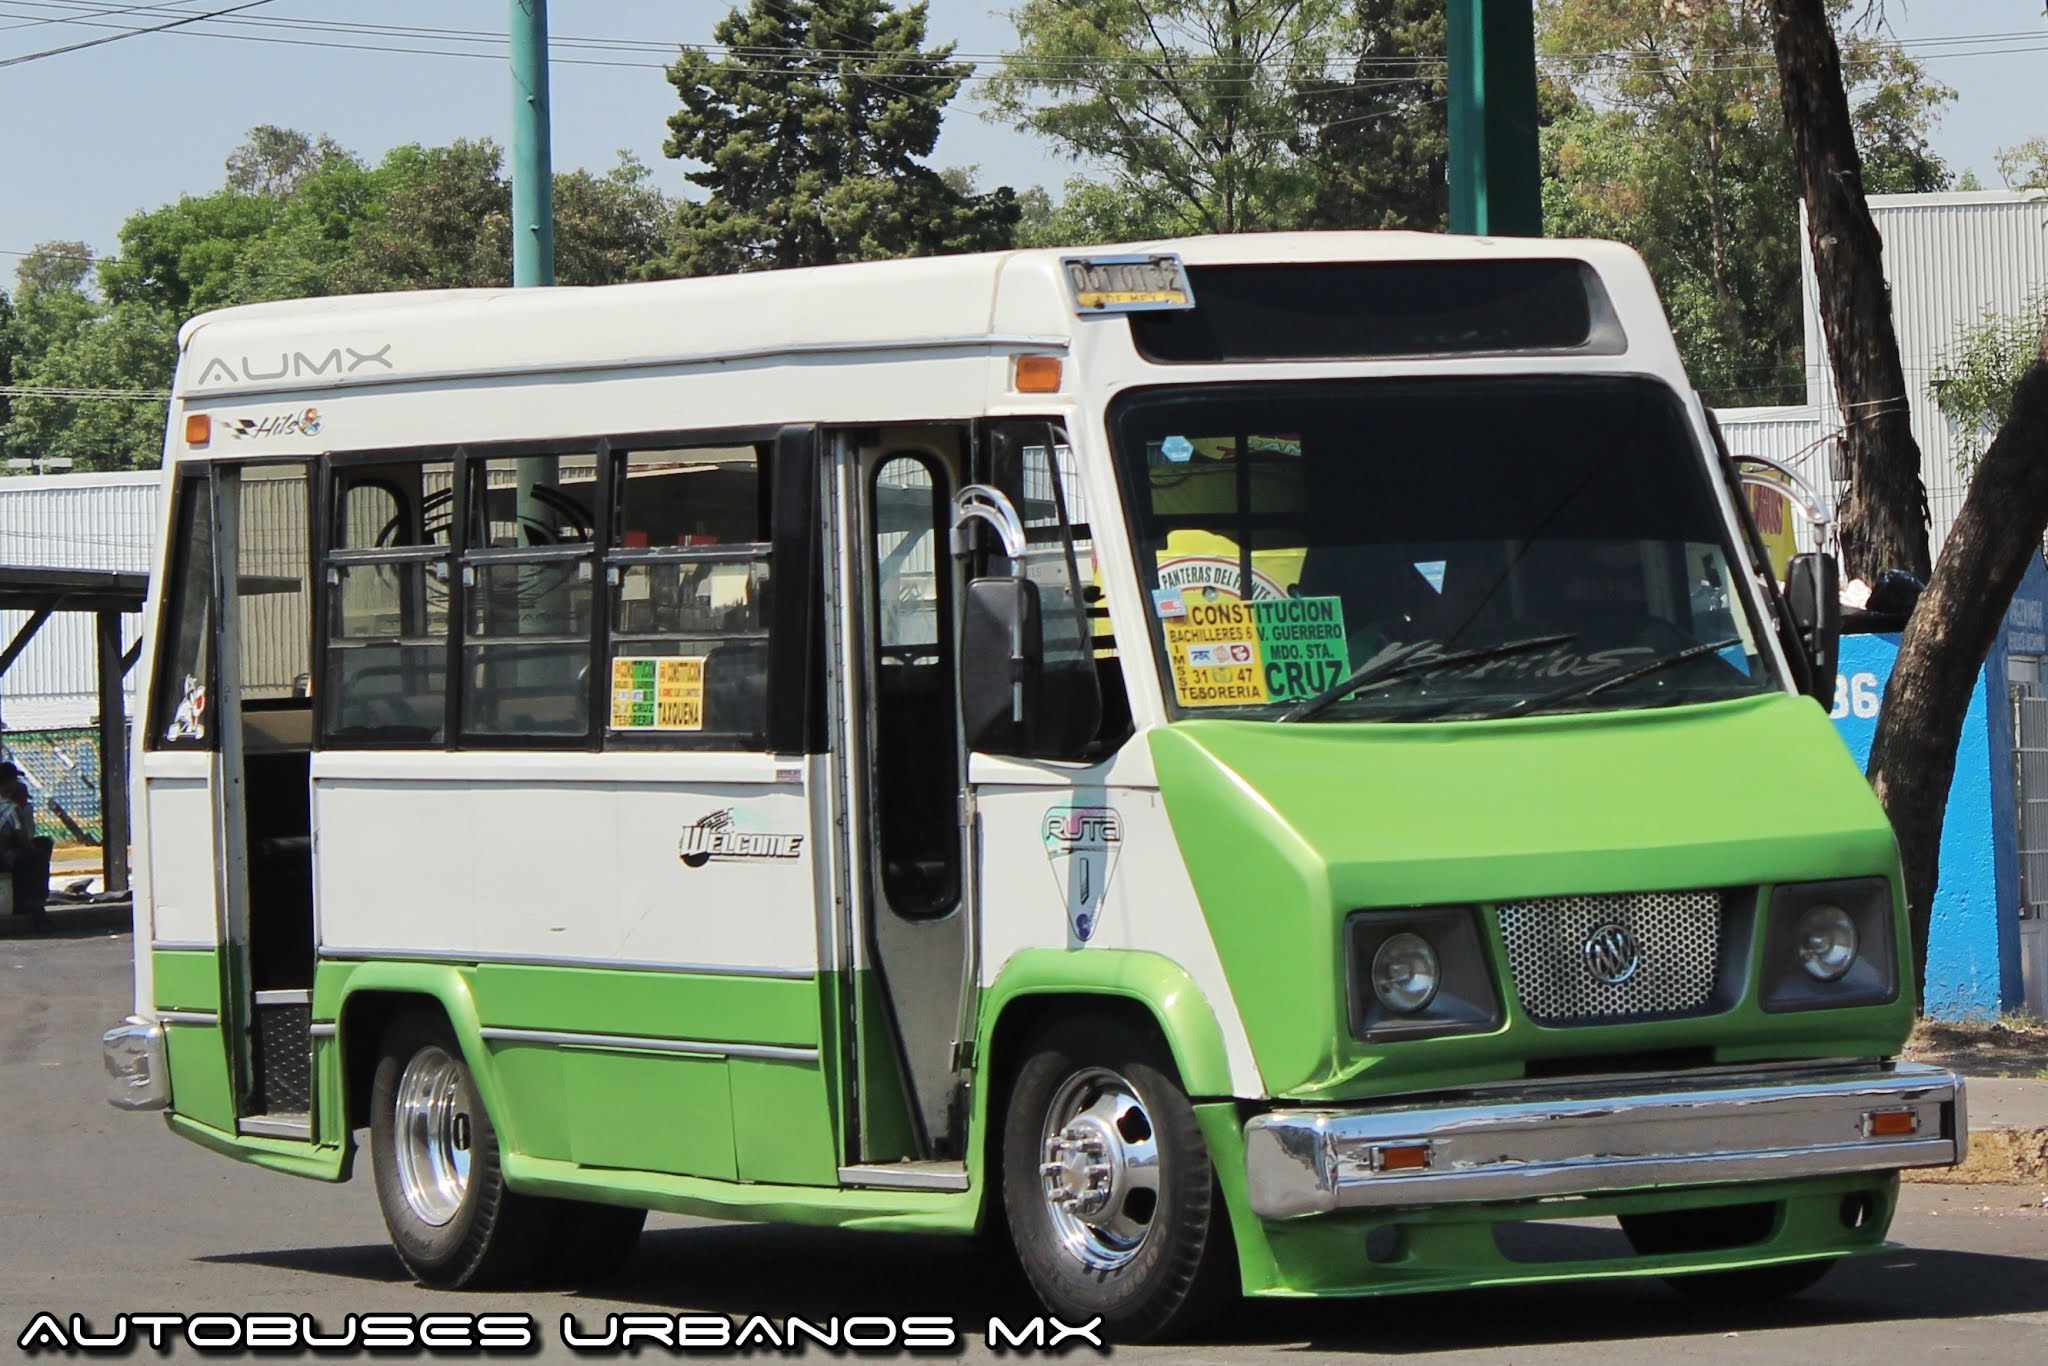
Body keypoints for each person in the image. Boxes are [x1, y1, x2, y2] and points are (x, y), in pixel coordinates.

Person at [0, 762, 50, 928]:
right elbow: (25, 842)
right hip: (3, 857)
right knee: (38, 854)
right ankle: (31, 901)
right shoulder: (10, 808)